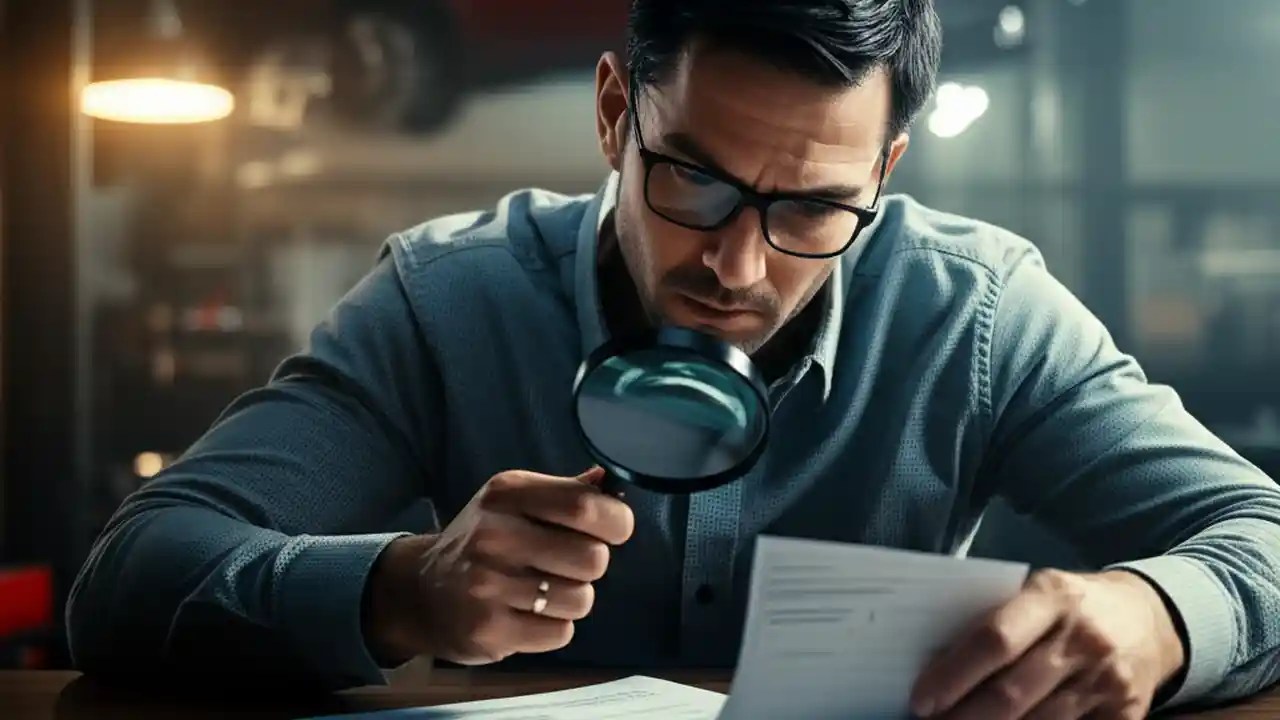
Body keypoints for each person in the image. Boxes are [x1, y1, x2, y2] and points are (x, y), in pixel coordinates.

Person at [68, 1, 1280, 718]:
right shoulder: (449, 298)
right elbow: (129, 581)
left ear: (885, 173)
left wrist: (1160, 613)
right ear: (611, 113)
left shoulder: (976, 312)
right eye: (691, 179)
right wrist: (400, 586)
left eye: (812, 207)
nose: (738, 269)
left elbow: (1259, 536)